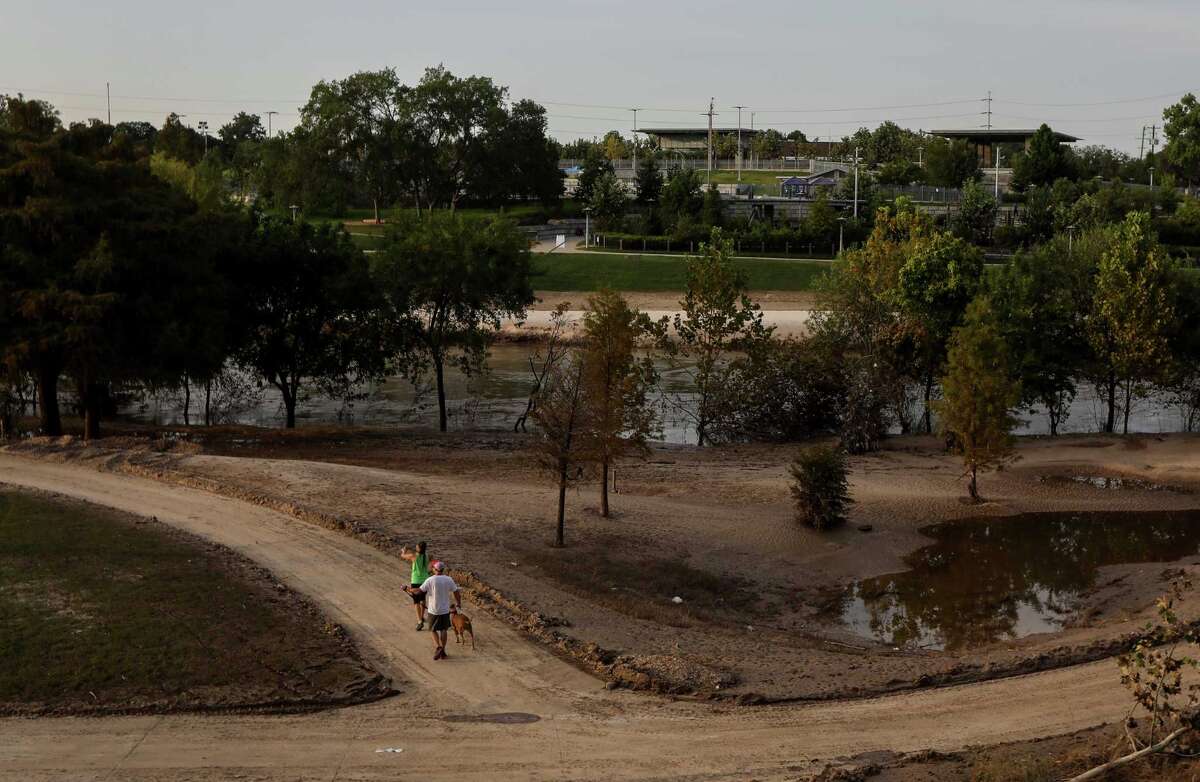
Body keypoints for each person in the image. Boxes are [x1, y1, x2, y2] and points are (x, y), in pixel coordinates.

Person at [418, 560, 461, 660]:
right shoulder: (449, 579)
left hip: (433, 610)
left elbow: (420, 591)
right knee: (443, 630)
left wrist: (408, 589)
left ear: (434, 569)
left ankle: (439, 647)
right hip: (445, 610)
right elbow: (456, 592)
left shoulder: (430, 580)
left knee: (433, 630)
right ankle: (443, 650)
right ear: (443, 570)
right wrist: (459, 603)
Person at [400, 542, 430, 630]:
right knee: (423, 599)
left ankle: (419, 621)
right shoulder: (426, 556)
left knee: (416, 601)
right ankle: (421, 616)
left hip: (416, 580)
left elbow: (403, 556)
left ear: (419, 549)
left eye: (416, 547)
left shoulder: (414, 556)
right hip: (425, 580)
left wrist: (403, 551)